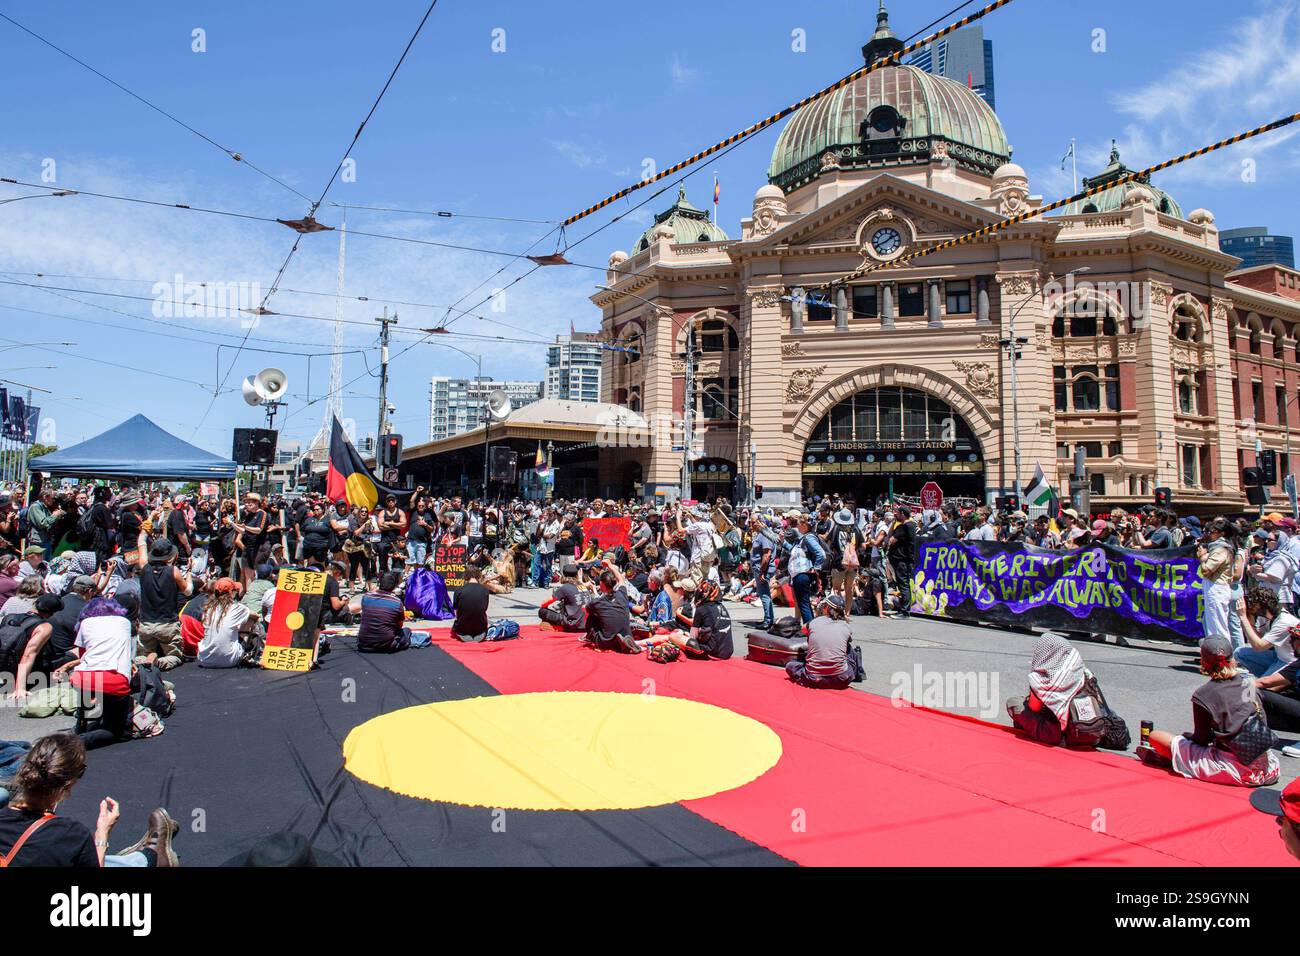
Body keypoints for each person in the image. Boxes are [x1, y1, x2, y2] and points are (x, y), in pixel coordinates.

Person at [0, 733, 178, 866]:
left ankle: (143, 856)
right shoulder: (70, 835)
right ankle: (149, 857)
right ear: (68, 784)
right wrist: (103, 832)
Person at [1141, 636, 1280, 788]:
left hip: (1235, 770)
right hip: (1268, 768)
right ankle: (1179, 761)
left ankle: (1174, 761)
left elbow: (1202, 739)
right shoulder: (1249, 683)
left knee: (1156, 737)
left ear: (1204, 662)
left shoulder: (1204, 694)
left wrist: (1186, 737)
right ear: (1232, 659)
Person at [1005, 635, 1097, 746]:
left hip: (1057, 734)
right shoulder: (1082, 671)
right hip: (1091, 729)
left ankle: (1044, 734)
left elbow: (1034, 708)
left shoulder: (1042, 680)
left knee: (1014, 703)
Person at [136, 539, 192, 670]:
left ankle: (143, 661)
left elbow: (141, 543)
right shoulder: (173, 571)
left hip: (146, 624)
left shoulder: (144, 568)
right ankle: (159, 663)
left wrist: (145, 531)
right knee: (175, 656)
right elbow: (188, 591)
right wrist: (189, 573)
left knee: (141, 654)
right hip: (167, 625)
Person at [785, 595, 859, 689]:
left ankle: (816, 670)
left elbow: (803, 630)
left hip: (814, 678)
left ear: (827, 608)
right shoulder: (845, 626)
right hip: (841, 679)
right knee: (849, 648)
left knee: (790, 666)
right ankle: (857, 672)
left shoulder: (813, 622)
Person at [1234, 586, 1299, 678]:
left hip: (1289, 662)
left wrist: (1243, 617)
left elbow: (1259, 646)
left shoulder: (1284, 621)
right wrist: (1251, 623)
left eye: (1252, 603)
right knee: (1239, 653)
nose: (1250, 606)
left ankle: (1278, 682)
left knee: (1262, 688)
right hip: (1277, 656)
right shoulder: (1268, 616)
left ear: (1260, 605)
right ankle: (1267, 678)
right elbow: (1258, 640)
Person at [198, 578, 257, 668]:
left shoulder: (208, 609)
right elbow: (256, 616)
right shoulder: (237, 608)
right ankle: (246, 649)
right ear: (230, 593)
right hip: (229, 660)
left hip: (205, 659)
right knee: (250, 619)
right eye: (235, 590)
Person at [352, 570, 413, 654]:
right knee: (407, 631)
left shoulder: (366, 597)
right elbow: (399, 625)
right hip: (385, 645)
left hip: (364, 643)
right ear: (394, 587)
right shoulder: (396, 602)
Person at [582, 570, 639, 653]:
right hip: (626, 635)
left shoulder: (598, 602)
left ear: (602, 584)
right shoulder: (622, 593)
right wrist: (610, 565)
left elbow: (585, 609)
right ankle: (621, 639)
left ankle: (589, 637)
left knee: (591, 616)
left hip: (606, 642)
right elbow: (621, 579)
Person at [452, 567, 492, 641]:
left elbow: (456, 611)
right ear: (479, 576)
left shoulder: (459, 590)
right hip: (480, 630)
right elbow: (484, 609)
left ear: (465, 576)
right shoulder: (485, 590)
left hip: (462, 630)